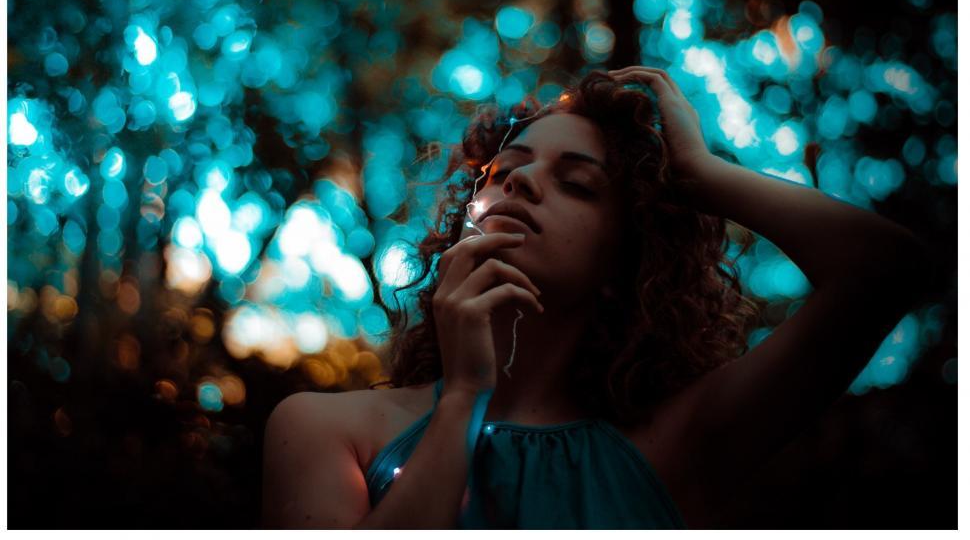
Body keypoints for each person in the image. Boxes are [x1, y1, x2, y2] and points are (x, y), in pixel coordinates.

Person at [261, 67, 931, 529]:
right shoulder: (322, 429)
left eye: (577, 183)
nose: (519, 185)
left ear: (625, 261)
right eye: (506, 170)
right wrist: (465, 395)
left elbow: (885, 269)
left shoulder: (675, 445)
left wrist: (699, 174)